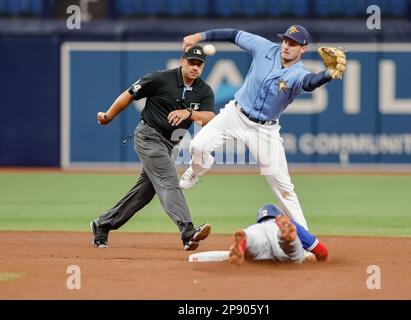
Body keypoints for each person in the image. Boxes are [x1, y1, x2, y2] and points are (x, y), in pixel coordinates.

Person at [179, 25, 347, 230]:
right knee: (197, 146)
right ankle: (196, 171)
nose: (286, 46)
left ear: (303, 48)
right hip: (235, 114)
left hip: (265, 130)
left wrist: (328, 74)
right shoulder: (264, 48)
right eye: (285, 40)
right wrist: (199, 35)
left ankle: (306, 241)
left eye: (293, 44)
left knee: (284, 188)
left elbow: (310, 82)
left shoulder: (298, 74)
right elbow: (233, 35)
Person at [90, 46, 216, 251]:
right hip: (148, 136)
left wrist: (189, 114)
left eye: (199, 64)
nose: (195, 67)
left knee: (144, 193)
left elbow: (209, 117)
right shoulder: (160, 78)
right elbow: (129, 94)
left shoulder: (204, 90)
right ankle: (188, 231)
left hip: (170, 145)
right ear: (182, 61)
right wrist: (108, 116)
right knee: (169, 180)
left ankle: (102, 224)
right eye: (191, 62)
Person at [228, 204, 329, 266]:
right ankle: (287, 239)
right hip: (281, 241)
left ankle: (242, 243)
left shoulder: (254, 227)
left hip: (260, 246)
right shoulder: (289, 224)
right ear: (279, 216)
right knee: (294, 252)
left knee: (250, 239)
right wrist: (320, 258)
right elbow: (322, 252)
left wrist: (241, 249)